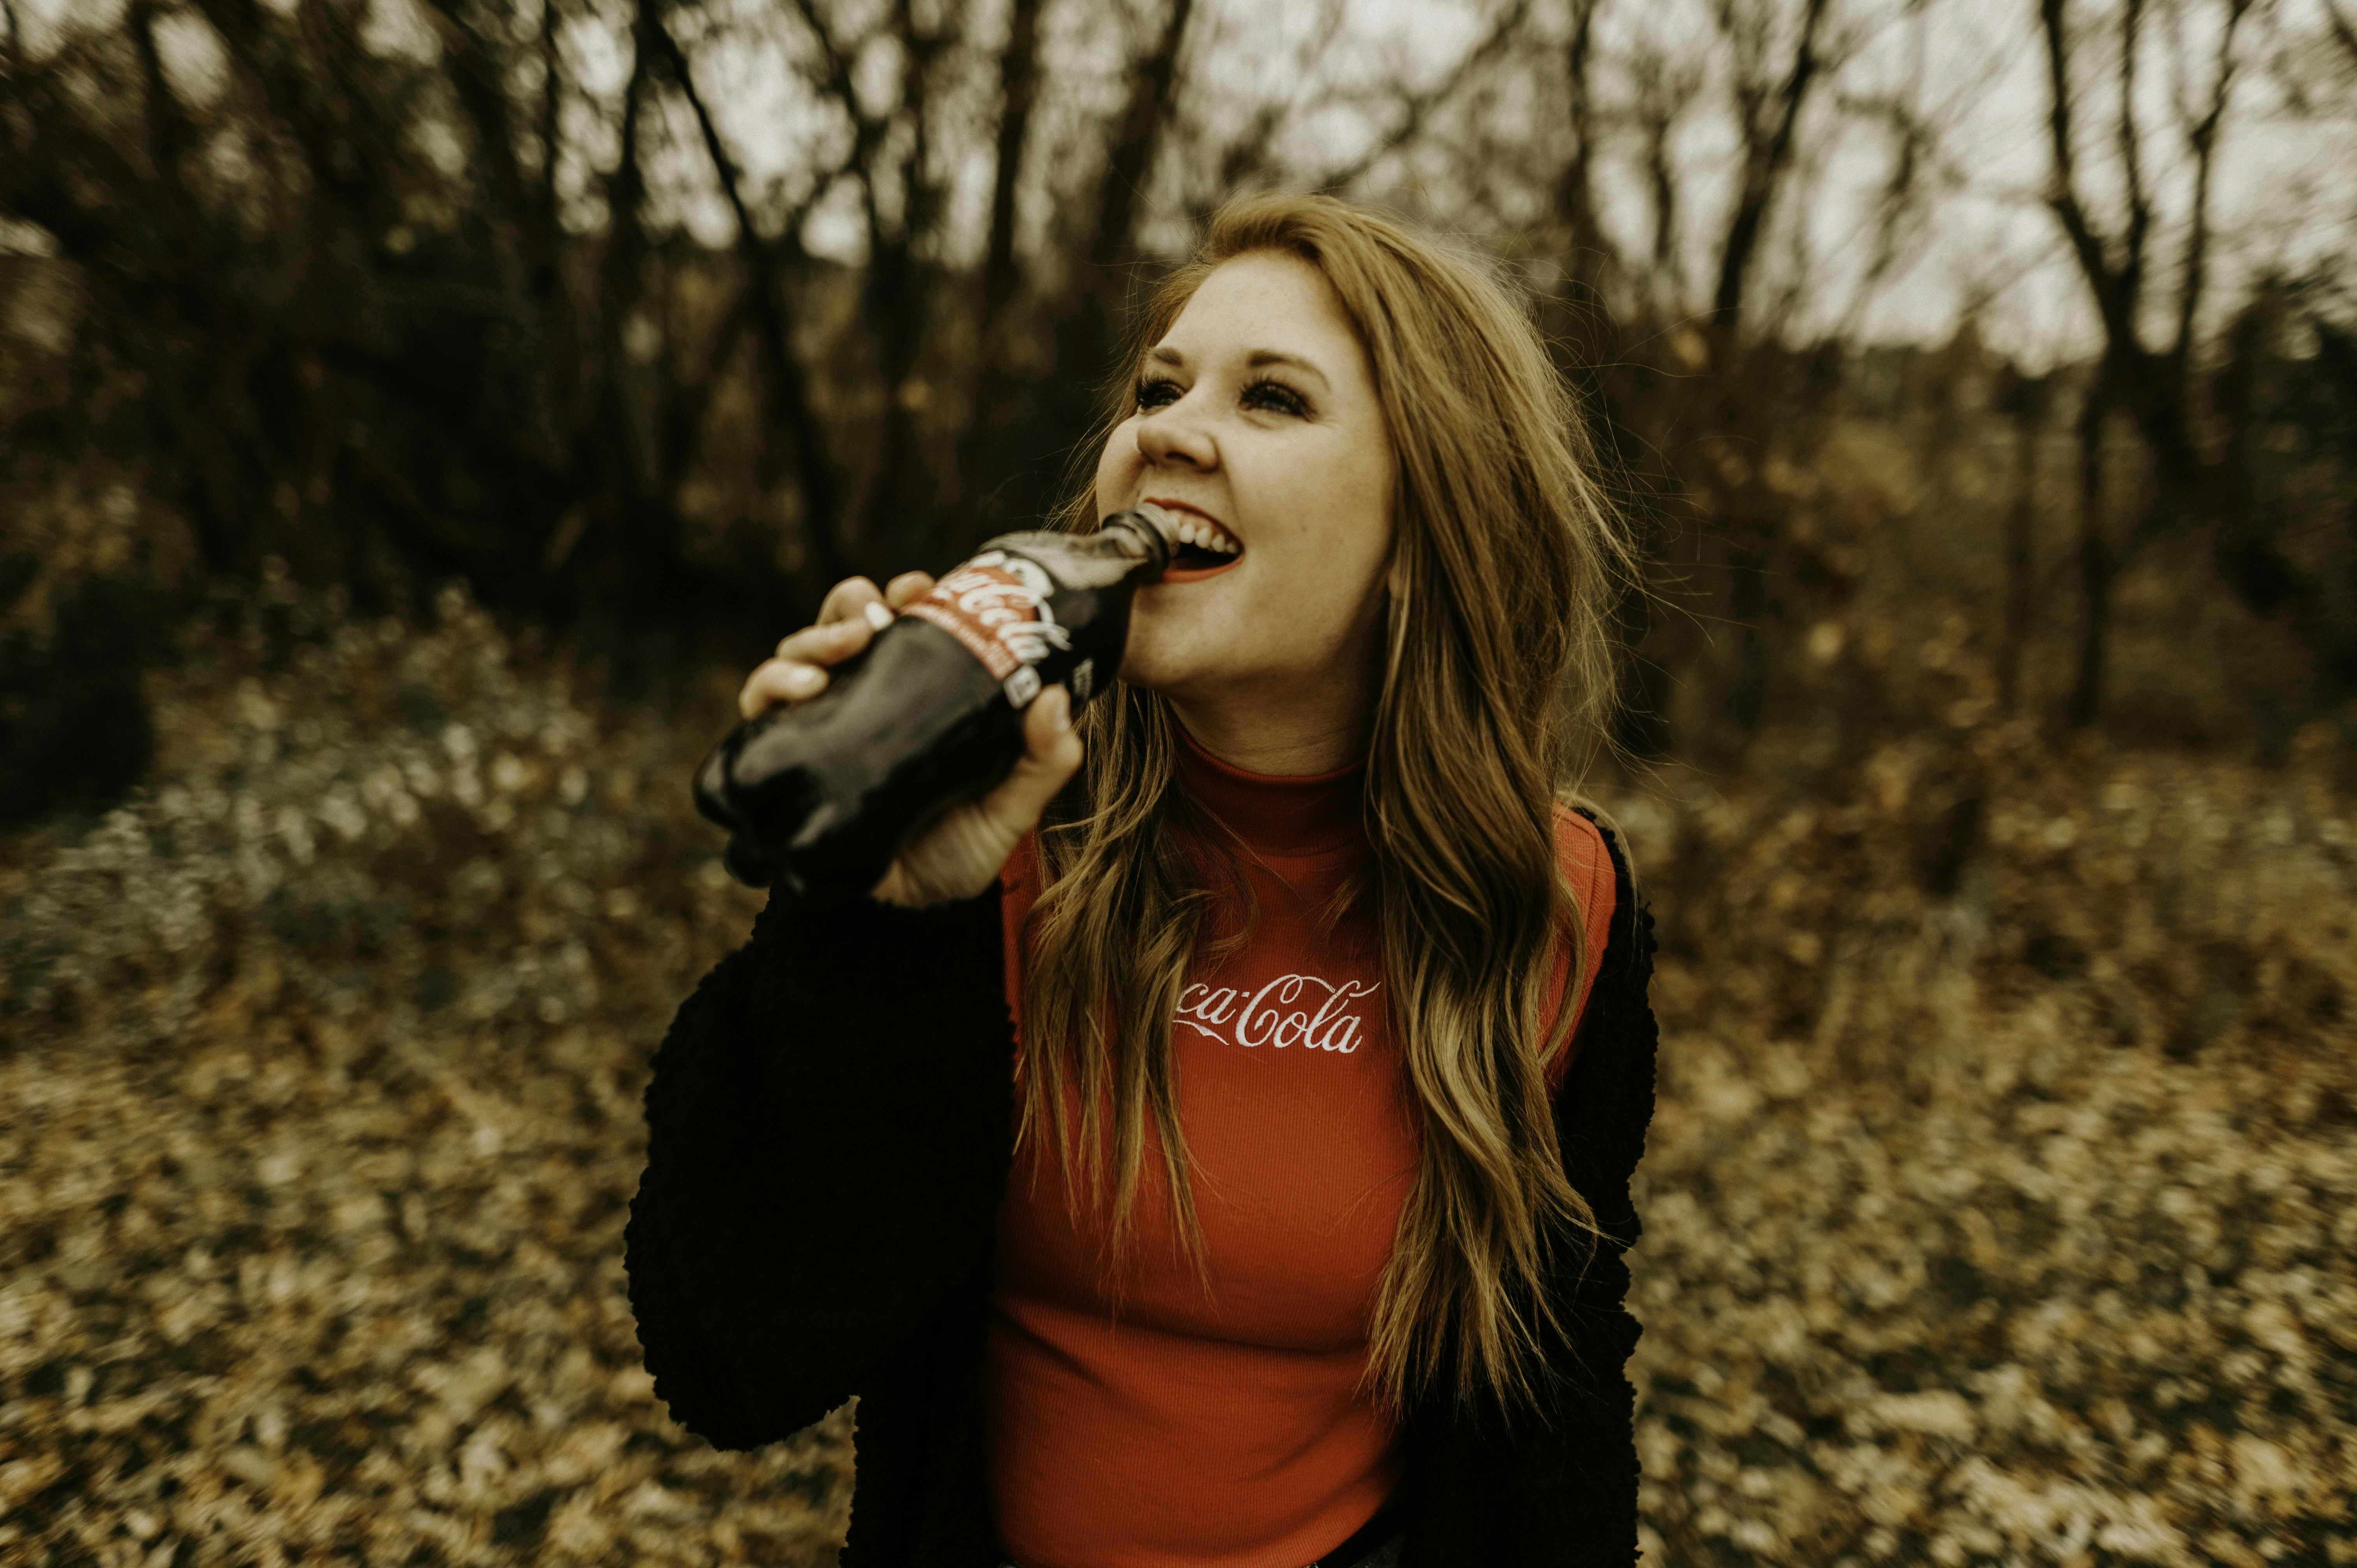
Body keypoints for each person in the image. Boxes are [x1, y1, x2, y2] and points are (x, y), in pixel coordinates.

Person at [624, 192, 1660, 1568]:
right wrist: (875, 924)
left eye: (1275, 399)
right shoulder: (1003, 831)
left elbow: (1560, 1382)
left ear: (1424, 529)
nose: (1163, 428)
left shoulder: (1553, 899)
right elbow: (734, 1358)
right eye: (1159, 385)